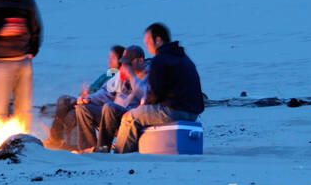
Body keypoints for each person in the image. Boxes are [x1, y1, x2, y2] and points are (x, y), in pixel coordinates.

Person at [113, 23, 205, 153]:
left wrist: (143, 105)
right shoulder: (185, 58)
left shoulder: (160, 59)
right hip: (193, 114)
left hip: (174, 111)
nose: (146, 45)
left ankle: (120, 156)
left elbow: (156, 93)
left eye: (148, 41)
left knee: (129, 117)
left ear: (158, 40)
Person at [46, 45, 126, 149]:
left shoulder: (118, 75)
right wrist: (86, 92)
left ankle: (63, 142)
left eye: (113, 58)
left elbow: (107, 95)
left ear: (121, 60)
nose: (109, 60)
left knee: (69, 108)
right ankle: (56, 139)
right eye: (109, 57)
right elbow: (98, 87)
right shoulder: (109, 72)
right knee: (63, 100)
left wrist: (88, 95)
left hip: (96, 104)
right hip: (89, 99)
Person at [72, 45, 147, 151]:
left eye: (113, 58)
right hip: (111, 113)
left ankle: (102, 148)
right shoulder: (114, 73)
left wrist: (131, 77)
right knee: (82, 108)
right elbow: (105, 92)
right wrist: (89, 99)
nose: (126, 66)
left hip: (129, 115)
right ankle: (88, 150)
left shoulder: (148, 75)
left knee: (109, 107)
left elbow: (146, 95)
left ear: (140, 60)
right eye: (124, 62)